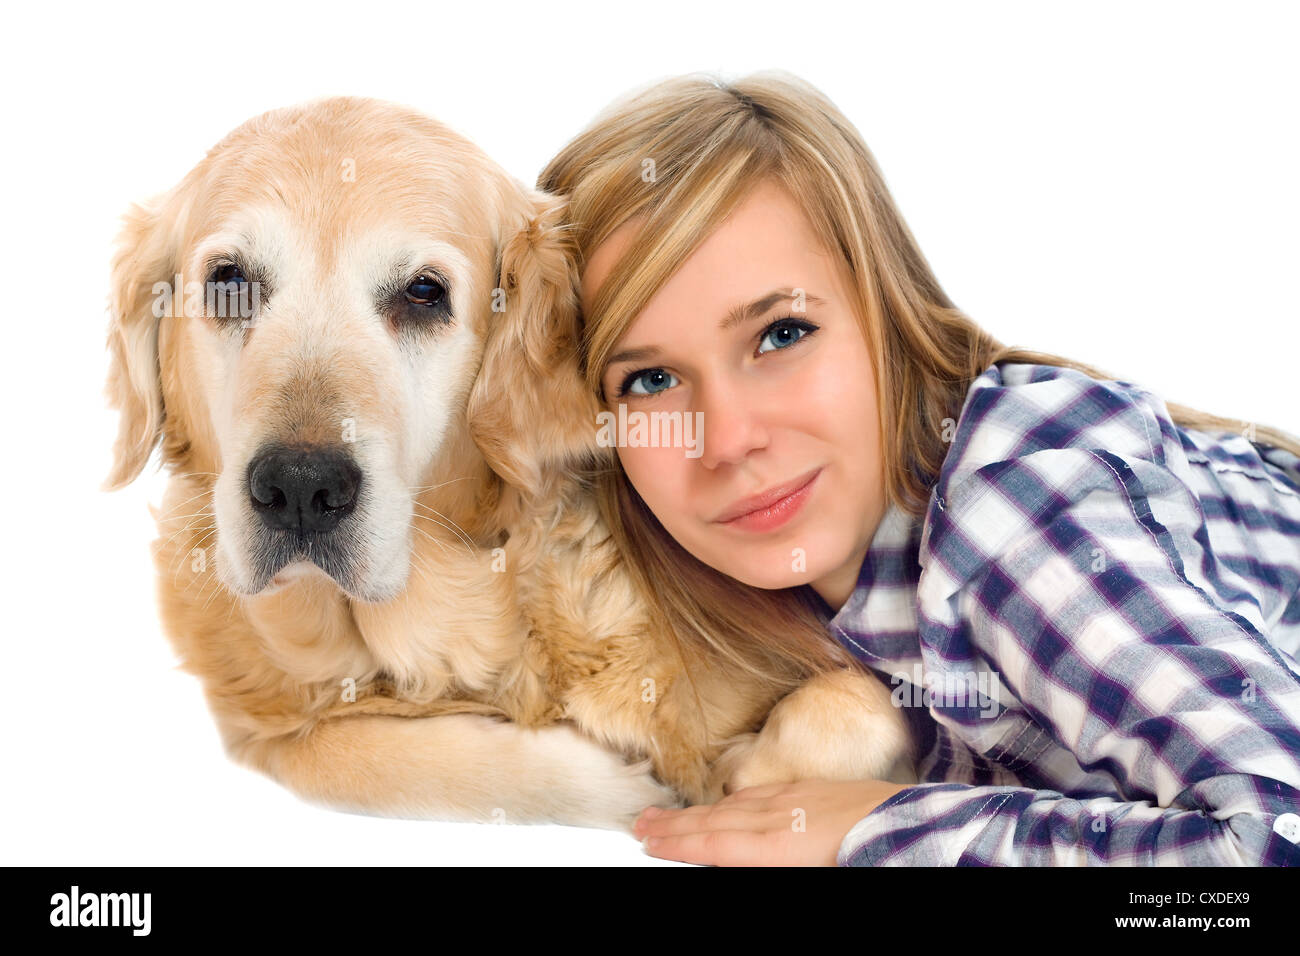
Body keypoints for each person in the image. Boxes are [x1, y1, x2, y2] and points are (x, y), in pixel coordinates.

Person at [536, 70, 1300, 866]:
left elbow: (1273, 842)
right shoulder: (717, 592)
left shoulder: (1014, 519)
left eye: (781, 333)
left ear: (885, 311)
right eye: (650, 381)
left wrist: (887, 830)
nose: (727, 440)